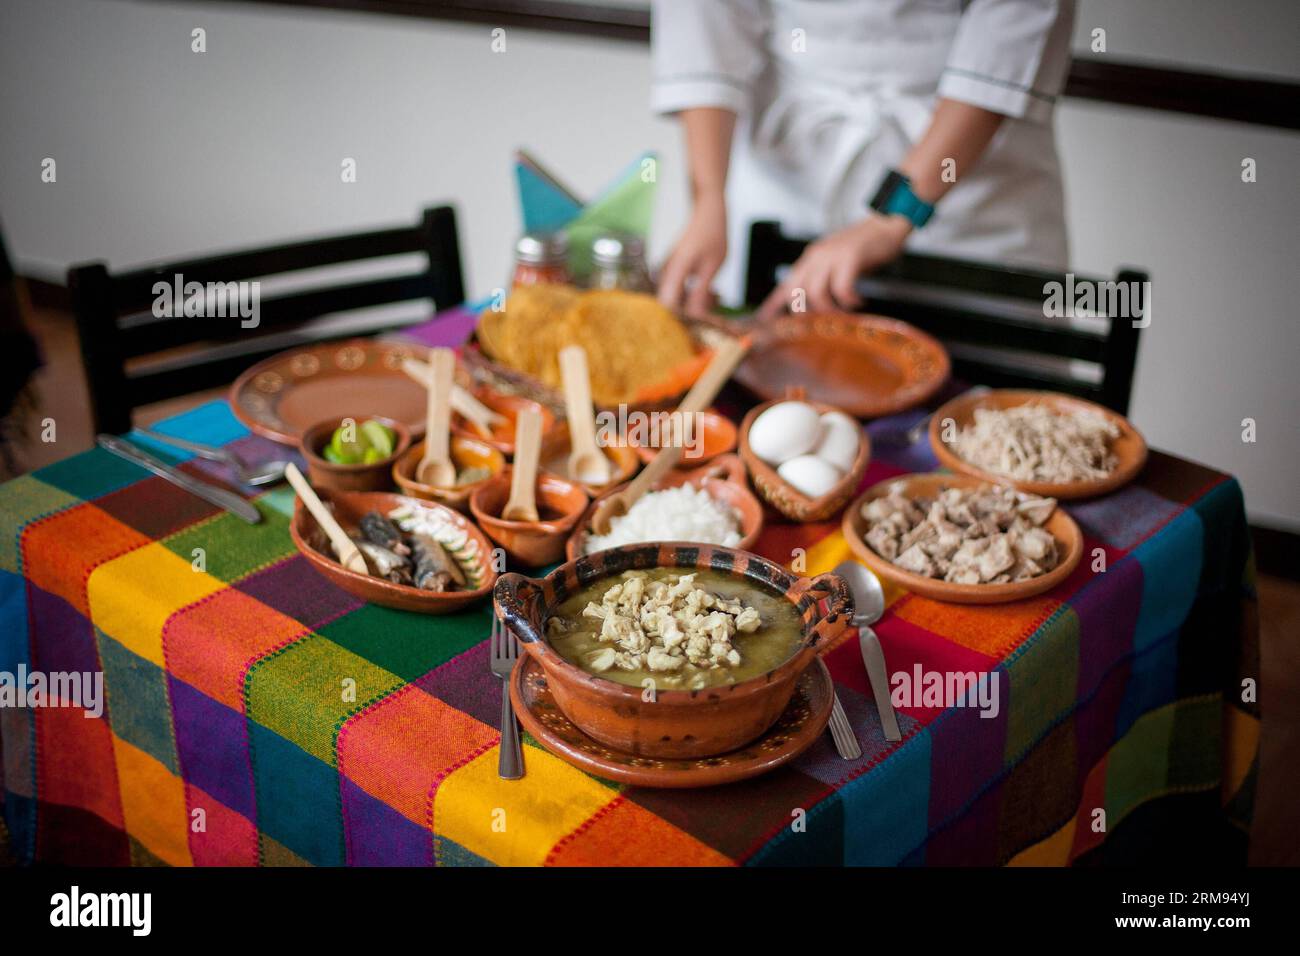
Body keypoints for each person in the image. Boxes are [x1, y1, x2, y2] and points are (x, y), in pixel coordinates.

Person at [651, 0, 1076, 318]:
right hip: (790, 175)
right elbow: (703, 15)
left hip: (971, 186)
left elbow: (1010, 29)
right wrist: (708, 197)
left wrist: (897, 212)